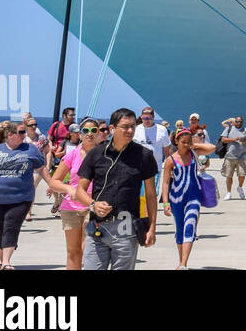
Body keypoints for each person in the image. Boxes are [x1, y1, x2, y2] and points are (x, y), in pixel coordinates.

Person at [75, 108, 159, 270]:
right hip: (97, 226)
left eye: (133, 126)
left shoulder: (144, 155)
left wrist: (152, 227)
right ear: (112, 129)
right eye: (125, 126)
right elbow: (80, 191)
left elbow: (150, 195)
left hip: (126, 226)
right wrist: (93, 205)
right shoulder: (96, 154)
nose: (130, 130)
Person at [0, 121, 61, 269]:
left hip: (21, 197)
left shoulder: (31, 149)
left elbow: (42, 169)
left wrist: (51, 184)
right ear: (10, 134)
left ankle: (6, 261)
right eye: (21, 132)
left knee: (11, 225)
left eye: (24, 132)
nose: (24, 135)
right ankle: (0, 259)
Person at [48, 119, 102, 269]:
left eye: (94, 131)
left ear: (98, 133)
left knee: (87, 249)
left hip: (92, 206)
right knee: (73, 252)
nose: (89, 134)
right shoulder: (73, 154)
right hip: (70, 207)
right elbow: (54, 181)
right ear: (80, 134)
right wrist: (69, 189)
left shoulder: (104, 155)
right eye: (86, 131)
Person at [161, 126, 218, 269]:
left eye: (188, 142)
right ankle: (181, 263)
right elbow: (166, 183)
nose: (186, 145)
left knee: (190, 226)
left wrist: (195, 144)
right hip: (176, 199)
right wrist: (165, 203)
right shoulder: (170, 160)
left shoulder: (194, 153)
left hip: (194, 196)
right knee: (180, 230)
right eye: (184, 142)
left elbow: (212, 148)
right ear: (176, 141)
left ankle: (183, 264)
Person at [132, 106, 170, 196]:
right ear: (141, 117)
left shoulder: (162, 130)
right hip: (138, 168)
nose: (146, 120)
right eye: (144, 118)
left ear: (153, 117)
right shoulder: (136, 129)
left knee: (152, 194)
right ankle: (142, 210)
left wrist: (171, 166)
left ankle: (149, 210)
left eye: (149, 118)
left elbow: (166, 150)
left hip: (155, 168)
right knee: (140, 194)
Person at [219, 116, 246, 199]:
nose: (238, 123)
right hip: (230, 156)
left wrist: (243, 141)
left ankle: (240, 187)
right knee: (229, 175)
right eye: (237, 122)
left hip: (241, 156)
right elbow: (223, 139)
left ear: (242, 122)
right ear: (235, 122)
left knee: (242, 174)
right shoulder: (229, 129)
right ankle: (229, 193)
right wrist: (234, 139)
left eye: (240, 122)